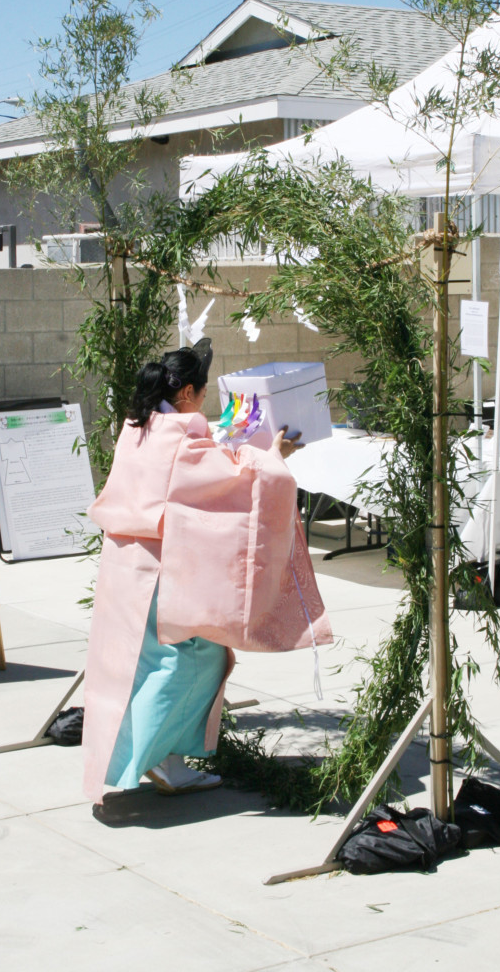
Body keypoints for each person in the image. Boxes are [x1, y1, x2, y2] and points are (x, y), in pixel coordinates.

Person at [82, 340, 332, 801]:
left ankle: (156, 758)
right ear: (188, 392)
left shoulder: (139, 425)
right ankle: (157, 758)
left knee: (139, 666)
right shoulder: (179, 437)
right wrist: (273, 456)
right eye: (201, 394)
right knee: (193, 660)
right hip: (162, 568)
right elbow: (232, 481)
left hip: (126, 563)